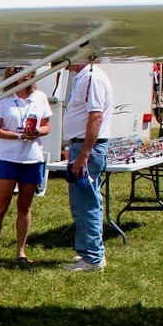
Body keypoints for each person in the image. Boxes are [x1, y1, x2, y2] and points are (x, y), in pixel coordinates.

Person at [0, 70, 50, 266]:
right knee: (1, 206)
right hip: (7, 158)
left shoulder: (39, 97)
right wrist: (19, 136)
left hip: (32, 158)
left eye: (31, 73)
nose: (28, 76)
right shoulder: (2, 98)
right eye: (22, 72)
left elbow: (47, 126)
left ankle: (21, 251)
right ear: (13, 75)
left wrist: (37, 131)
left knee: (25, 206)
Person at [61, 59, 115, 271]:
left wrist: (84, 154)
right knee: (85, 201)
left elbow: (96, 117)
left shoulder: (93, 78)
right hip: (82, 146)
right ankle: (89, 251)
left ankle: (93, 257)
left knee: (86, 202)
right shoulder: (85, 77)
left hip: (87, 148)